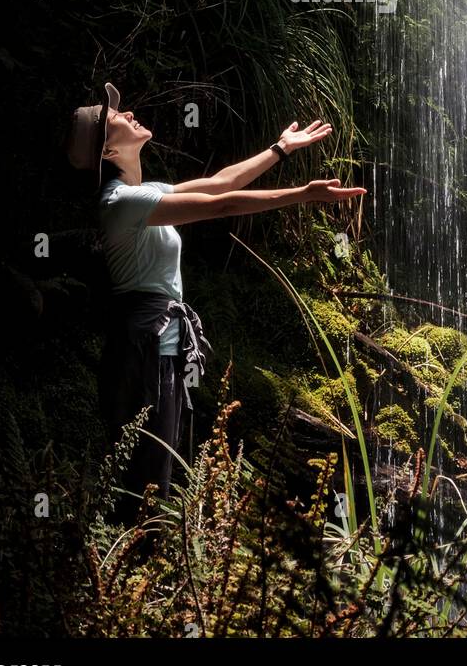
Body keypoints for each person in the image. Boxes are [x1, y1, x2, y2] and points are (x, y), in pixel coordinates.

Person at [66, 81, 366, 521]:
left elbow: (218, 183)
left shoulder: (143, 193)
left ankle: (137, 568)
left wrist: (280, 149)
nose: (128, 113)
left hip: (156, 346)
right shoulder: (124, 201)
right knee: (146, 480)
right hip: (143, 350)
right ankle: (131, 570)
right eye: (116, 118)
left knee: (153, 471)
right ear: (108, 151)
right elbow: (222, 205)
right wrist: (301, 195)